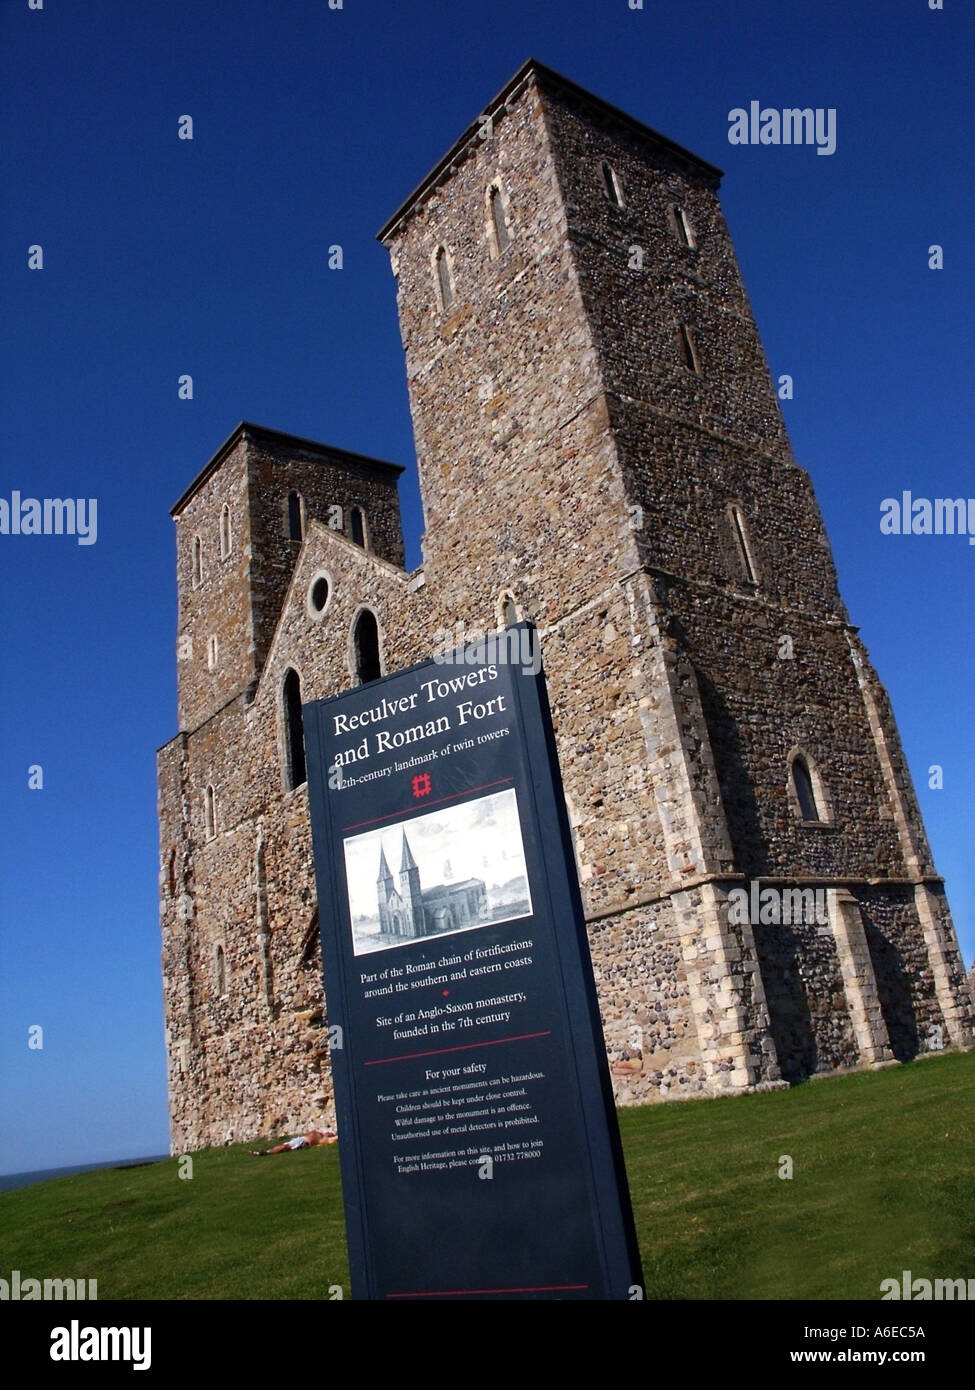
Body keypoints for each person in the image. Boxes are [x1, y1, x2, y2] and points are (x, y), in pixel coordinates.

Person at [249, 1128, 336, 1156]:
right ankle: (266, 1152)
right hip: (300, 1139)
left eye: (330, 1134)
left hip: (303, 1142)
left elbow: (334, 1139)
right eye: (329, 1132)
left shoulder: (323, 1139)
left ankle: (265, 1152)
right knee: (285, 1145)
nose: (329, 1133)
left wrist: (332, 1137)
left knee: (285, 1147)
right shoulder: (320, 1133)